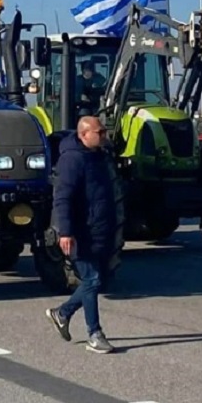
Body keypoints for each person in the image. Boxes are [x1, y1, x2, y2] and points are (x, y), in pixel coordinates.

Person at [45, 115, 118, 354]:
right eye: (100, 132)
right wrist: (65, 232)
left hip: (99, 230)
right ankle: (94, 334)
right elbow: (62, 198)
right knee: (93, 279)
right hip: (79, 232)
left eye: (104, 131)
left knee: (96, 280)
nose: (104, 135)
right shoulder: (71, 160)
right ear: (84, 134)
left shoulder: (98, 157)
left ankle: (62, 313)